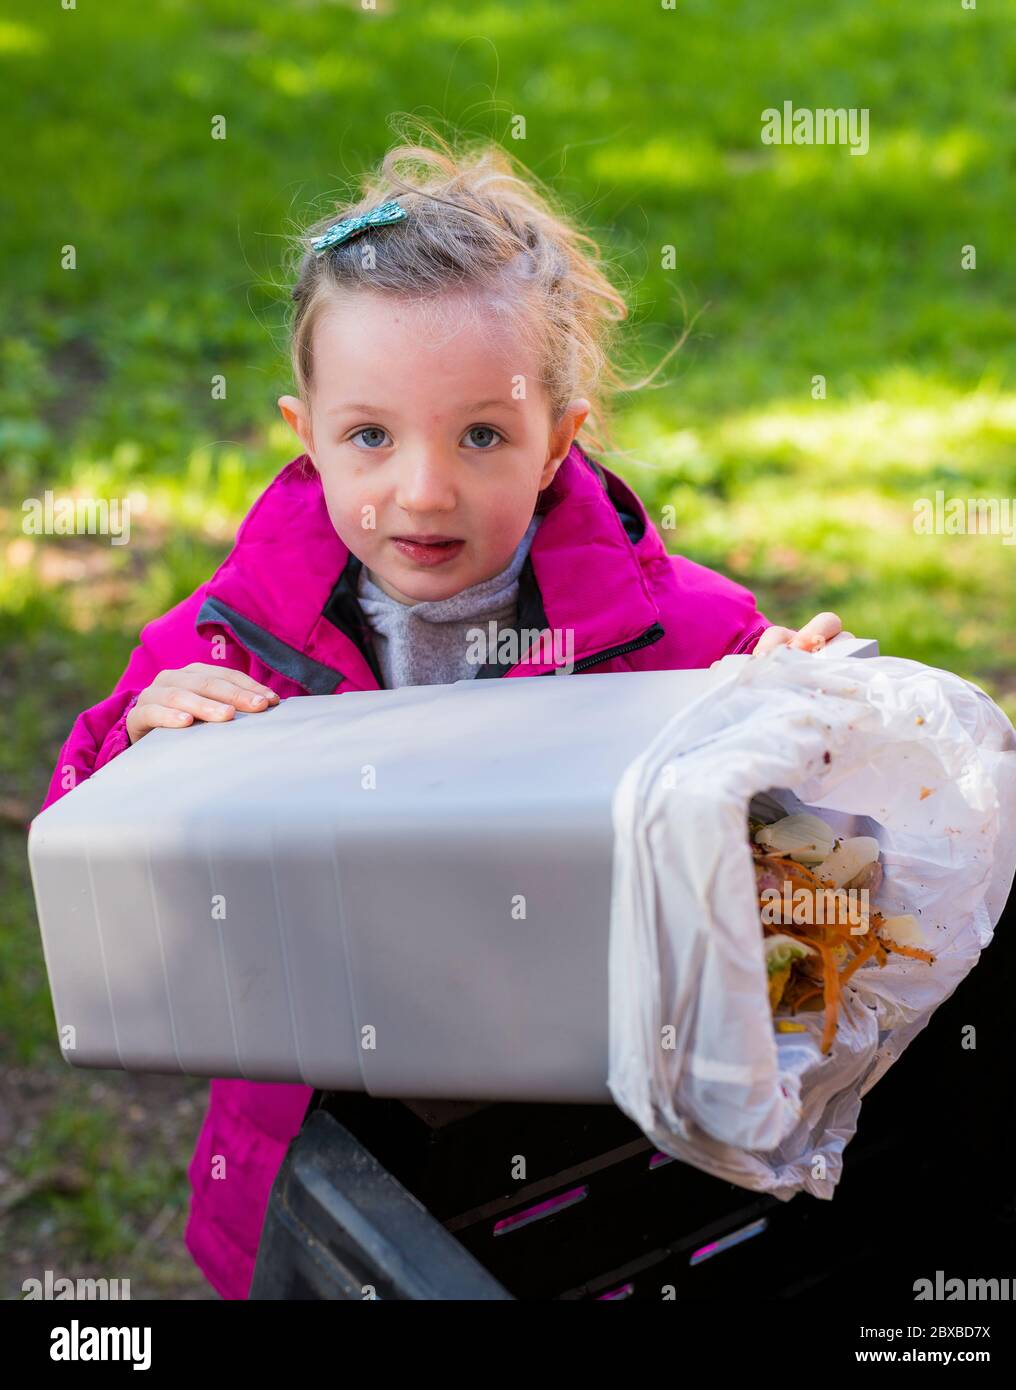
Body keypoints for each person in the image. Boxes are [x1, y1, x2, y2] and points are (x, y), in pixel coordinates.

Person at [36, 131, 843, 1299]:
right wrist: (134, 753)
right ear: (302, 434)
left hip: (581, 1144)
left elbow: (803, 846)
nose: (421, 489)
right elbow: (90, 850)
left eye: (480, 434)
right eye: (370, 435)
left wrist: (795, 699)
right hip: (321, 1152)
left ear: (560, 437)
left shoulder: (673, 629)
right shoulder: (223, 640)